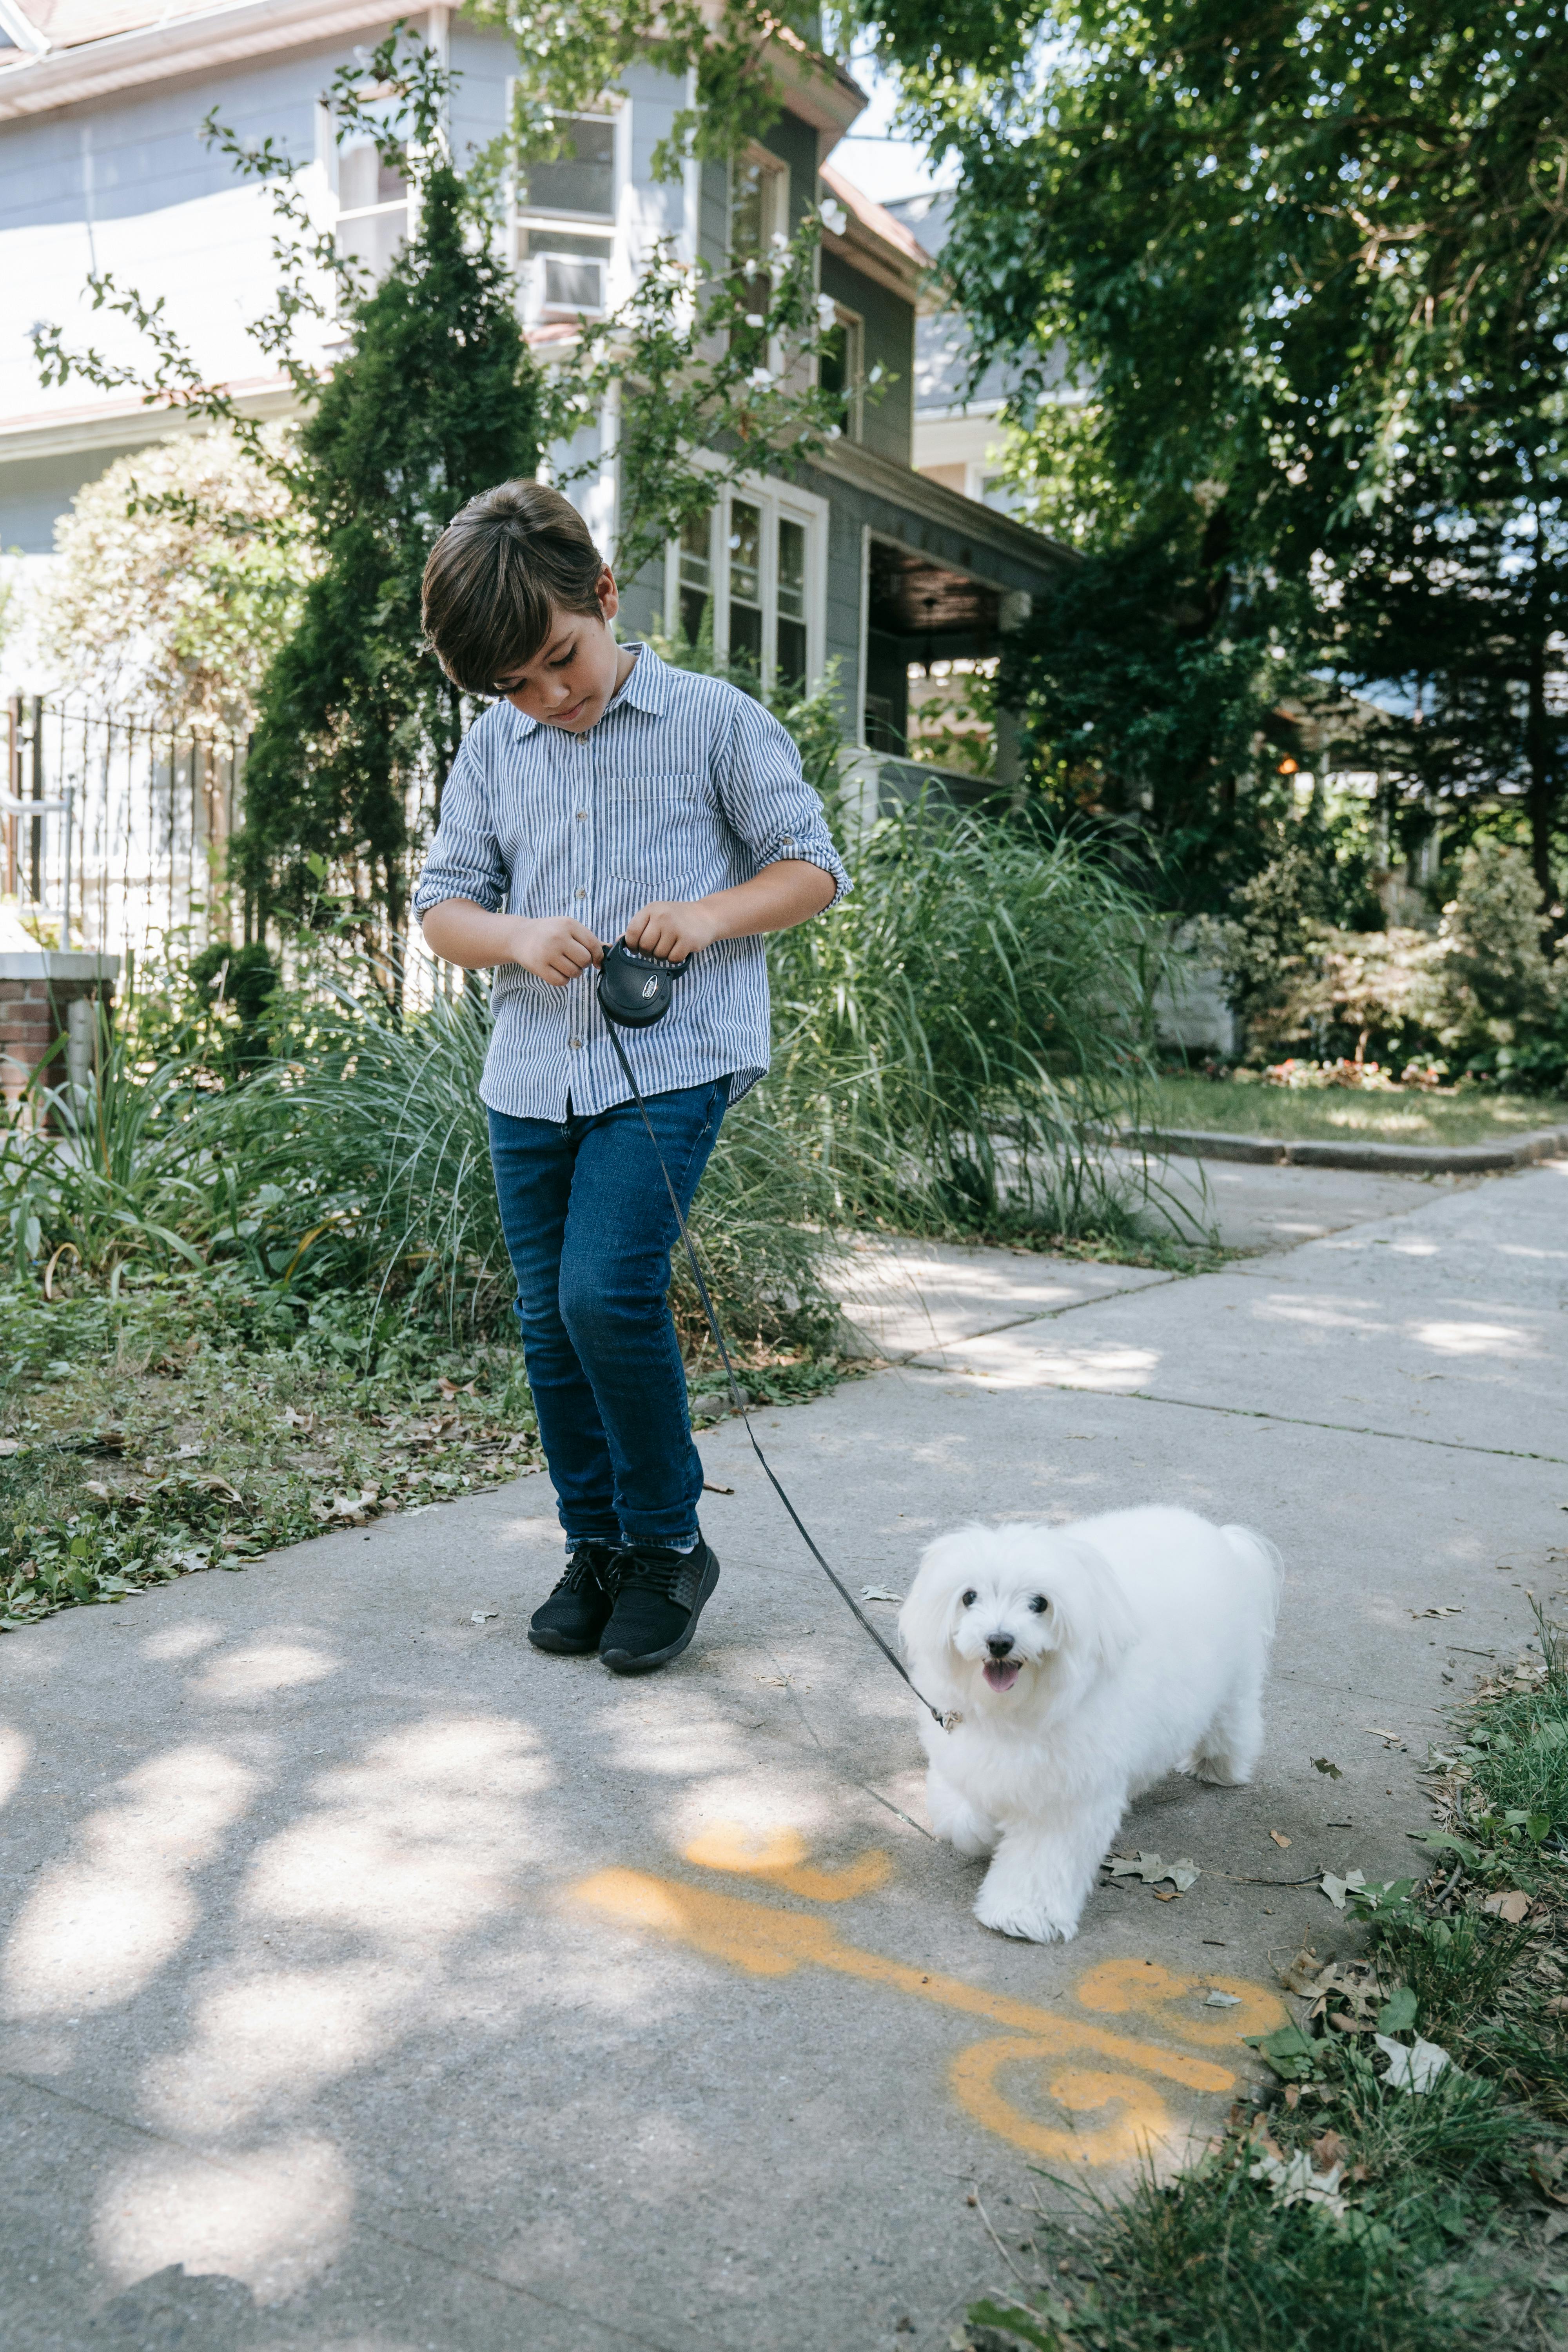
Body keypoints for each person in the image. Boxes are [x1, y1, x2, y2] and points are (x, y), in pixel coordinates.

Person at [415, 480, 849, 1676]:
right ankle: (594, 1545)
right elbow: (442, 904)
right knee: (550, 1326)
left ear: (603, 597)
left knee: (605, 1294)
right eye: (517, 686)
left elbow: (811, 867)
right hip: (529, 1074)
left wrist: (710, 917)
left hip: (672, 1060)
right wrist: (512, 937)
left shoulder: (712, 720)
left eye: (562, 659)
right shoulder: (493, 749)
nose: (551, 699)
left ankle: (667, 1548)